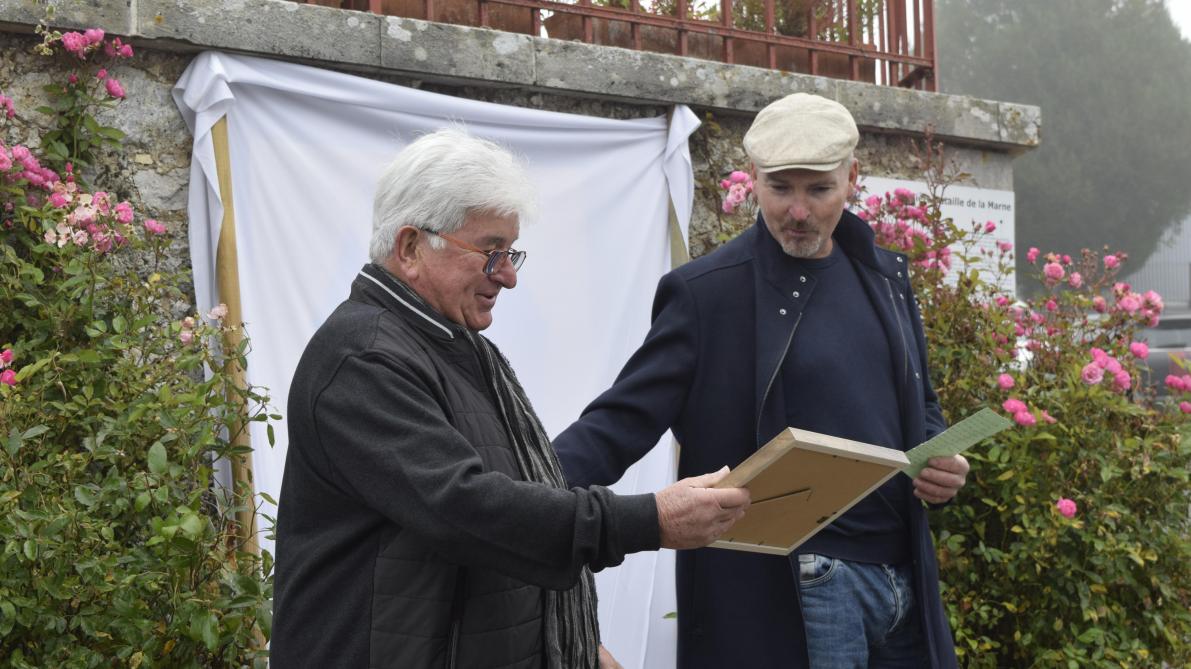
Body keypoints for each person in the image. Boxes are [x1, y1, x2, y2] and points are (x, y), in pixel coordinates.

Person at [271, 128, 751, 669]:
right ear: (410, 248)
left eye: (510, 253)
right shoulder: (364, 357)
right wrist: (646, 520)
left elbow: (510, 511)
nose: (506, 276)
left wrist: (575, 648)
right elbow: (465, 510)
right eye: (489, 251)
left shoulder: (456, 345)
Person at [553, 93, 970, 669]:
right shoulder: (705, 293)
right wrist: (524, 500)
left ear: (852, 178)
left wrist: (940, 459)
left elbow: (917, 405)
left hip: (905, 579)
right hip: (795, 590)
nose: (797, 211)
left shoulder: (886, 277)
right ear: (752, 179)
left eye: (817, 189)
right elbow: (620, 422)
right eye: (780, 188)